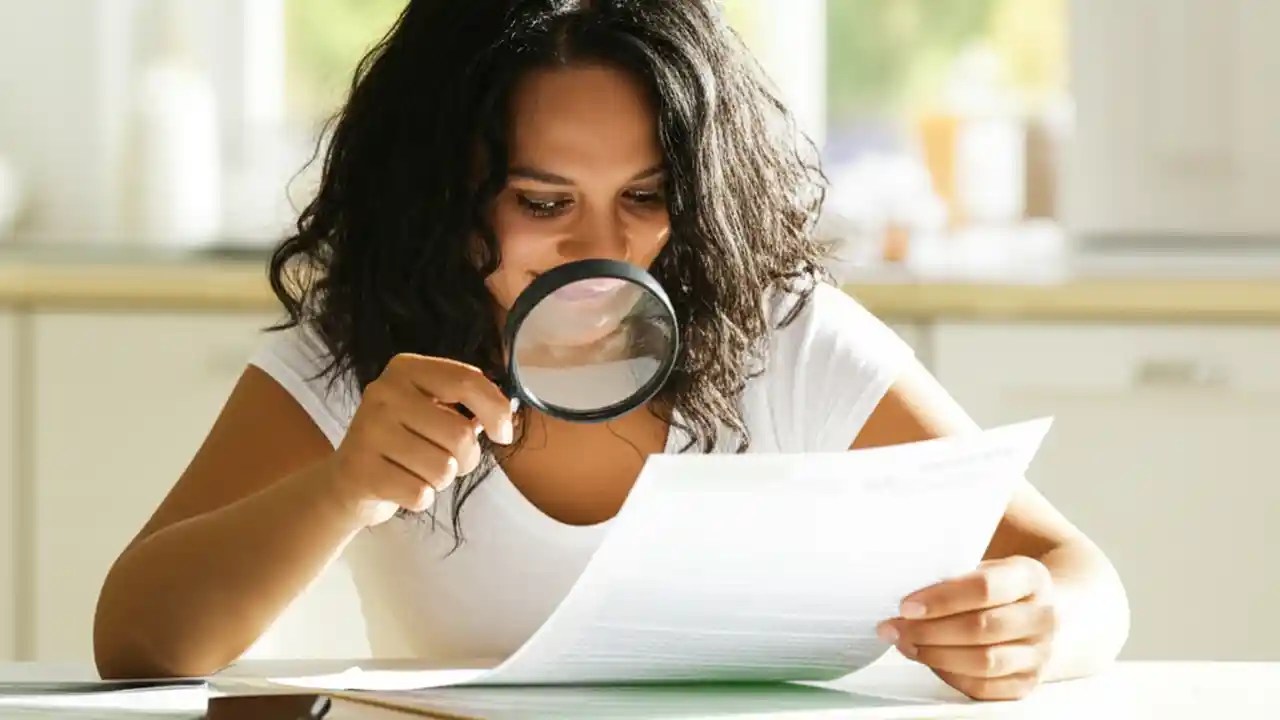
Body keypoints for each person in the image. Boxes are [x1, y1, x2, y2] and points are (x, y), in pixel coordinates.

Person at [92, 0, 1129, 701]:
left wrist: (1041, 625)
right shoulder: (360, 356)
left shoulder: (778, 333)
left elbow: (1078, 576)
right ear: (445, 201)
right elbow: (136, 644)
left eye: (645, 198)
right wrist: (339, 489)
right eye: (543, 201)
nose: (601, 248)